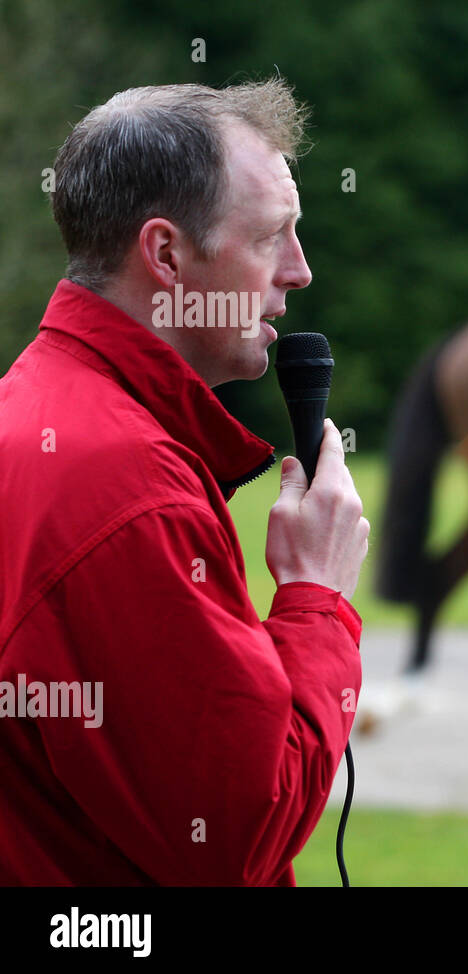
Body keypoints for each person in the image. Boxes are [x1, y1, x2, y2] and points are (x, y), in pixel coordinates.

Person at [0, 80, 369, 883]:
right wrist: (315, 598)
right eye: (273, 237)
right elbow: (236, 834)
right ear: (165, 255)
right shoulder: (128, 492)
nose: (300, 272)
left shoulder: (37, 409)